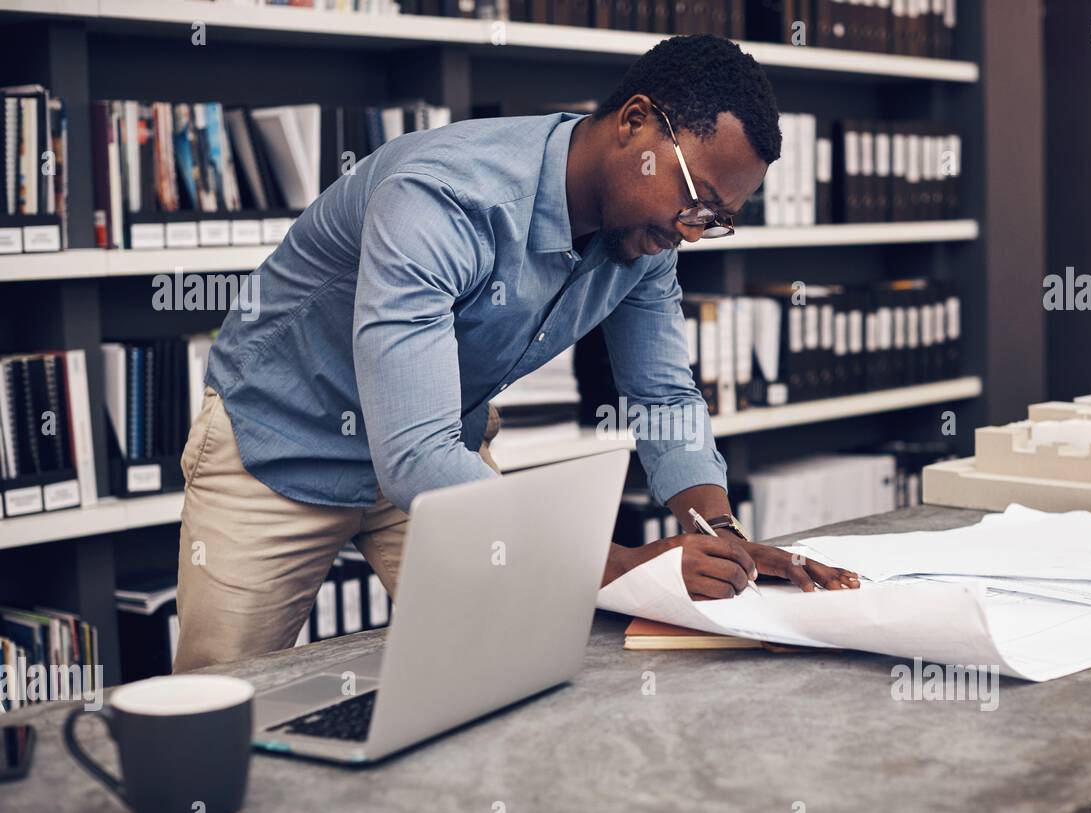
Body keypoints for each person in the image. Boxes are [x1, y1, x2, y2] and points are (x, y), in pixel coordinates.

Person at [174, 34, 859, 672]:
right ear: (635, 122)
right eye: (695, 198)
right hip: (283, 447)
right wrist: (627, 565)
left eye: (716, 220)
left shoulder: (645, 237)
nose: (692, 229)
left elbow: (664, 399)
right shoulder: (441, 197)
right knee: (227, 703)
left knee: (500, 671)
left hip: (441, 452)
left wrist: (720, 532)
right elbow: (413, 457)